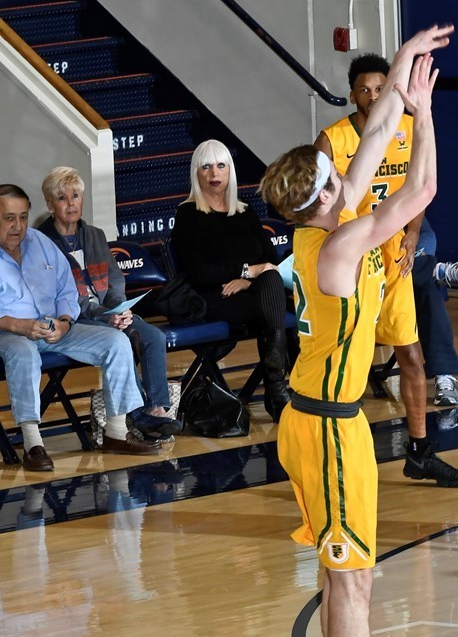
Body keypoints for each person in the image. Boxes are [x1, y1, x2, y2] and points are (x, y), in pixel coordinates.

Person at [259, 24, 452, 637]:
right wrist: (426, 117)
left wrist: (404, 66)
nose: (348, 174)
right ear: (323, 199)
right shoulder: (339, 249)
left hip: (326, 420)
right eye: (337, 178)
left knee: (355, 577)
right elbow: (420, 191)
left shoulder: (327, 223)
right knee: (349, 580)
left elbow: (372, 141)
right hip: (328, 430)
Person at [314, 53, 458, 487]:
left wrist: (411, 236)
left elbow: (418, 191)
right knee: (349, 365)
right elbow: (317, 206)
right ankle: (336, 455)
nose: (371, 96)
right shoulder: (333, 141)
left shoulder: (406, 128)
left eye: (379, 88)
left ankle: (419, 451)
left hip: (392, 257)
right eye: (364, 89)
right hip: (352, 263)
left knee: (412, 356)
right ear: (352, 95)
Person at [0, 184, 163, 470]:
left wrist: (64, 322)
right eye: (9, 218)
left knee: (116, 341)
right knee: (23, 354)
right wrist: (18, 325)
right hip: (8, 332)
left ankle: (115, 432)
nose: (18, 226)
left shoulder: (40, 243)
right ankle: (33, 443)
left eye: (24, 217)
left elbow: (67, 289)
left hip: (52, 326)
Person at [38, 166, 180, 440]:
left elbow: (115, 281)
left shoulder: (95, 235)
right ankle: (139, 414)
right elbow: (64, 296)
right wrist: (107, 317)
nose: (71, 204)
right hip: (74, 320)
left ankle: (157, 410)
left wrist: (120, 309)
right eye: (63, 198)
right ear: (50, 204)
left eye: (76, 196)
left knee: (153, 336)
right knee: (122, 340)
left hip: (107, 314)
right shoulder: (42, 242)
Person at [170, 140, 292, 422]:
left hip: (250, 292)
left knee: (271, 281)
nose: (214, 172)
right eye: (207, 166)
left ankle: (276, 386)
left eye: (221, 165)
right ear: (196, 173)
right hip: (213, 296)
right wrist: (247, 271)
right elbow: (200, 273)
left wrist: (247, 280)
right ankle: (278, 389)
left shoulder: (245, 211)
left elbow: (271, 260)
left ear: (230, 171)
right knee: (273, 309)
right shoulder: (187, 214)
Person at [412, 216, 458, 407]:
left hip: (403, 270)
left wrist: (411, 234)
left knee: (428, 290)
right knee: (426, 279)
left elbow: (426, 233)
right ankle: (436, 271)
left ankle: (444, 375)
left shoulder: (401, 189)